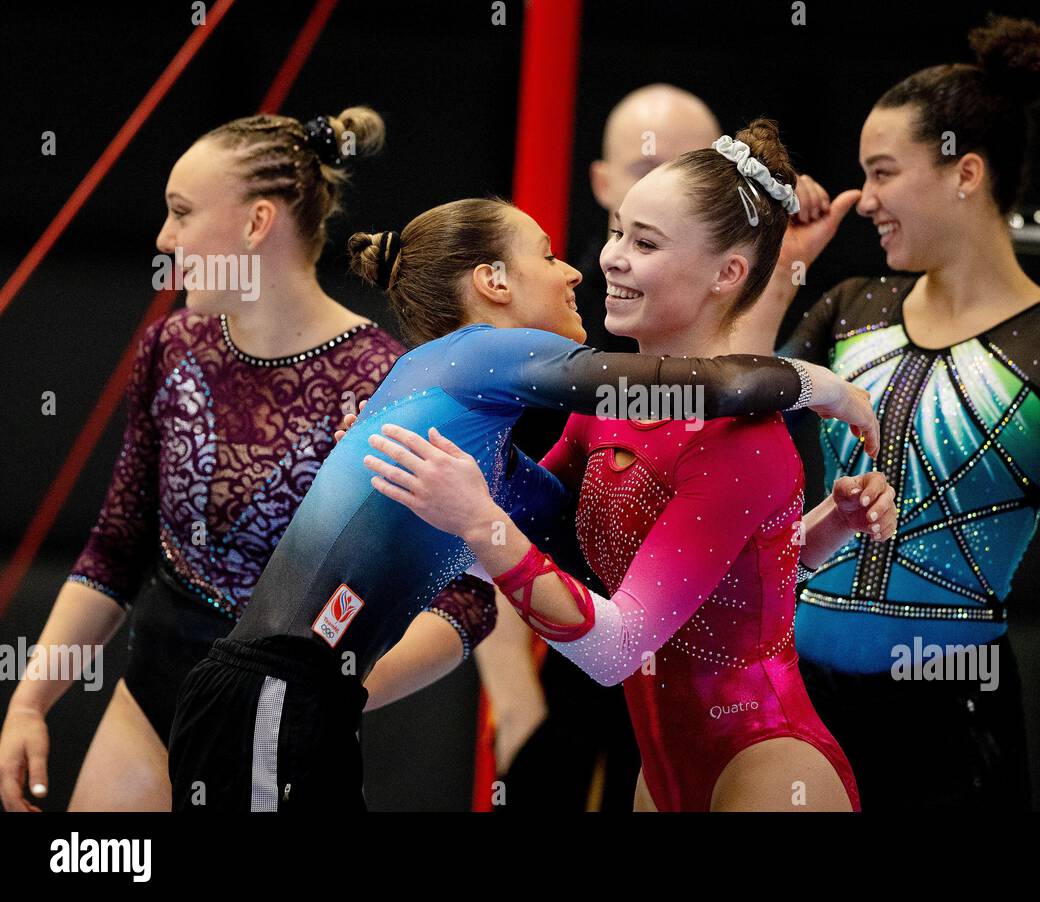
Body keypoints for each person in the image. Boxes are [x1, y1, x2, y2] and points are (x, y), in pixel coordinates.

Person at [166, 195, 878, 811]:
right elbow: (685, 383)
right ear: (494, 282)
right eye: (548, 254)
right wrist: (825, 387)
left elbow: (624, 572)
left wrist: (816, 527)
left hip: (311, 703)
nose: (575, 271)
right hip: (271, 690)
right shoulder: (472, 352)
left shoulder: (491, 466)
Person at [364, 121, 899, 811]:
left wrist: (476, 520)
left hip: (766, 762)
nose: (609, 259)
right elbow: (545, 526)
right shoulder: (602, 404)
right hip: (661, 767)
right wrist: (415, 463)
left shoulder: (741, 440)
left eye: (644, 243)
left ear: (726, 274)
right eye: (616, 232)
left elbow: (617, 645)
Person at [731, 15, 1040, 810]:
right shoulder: (849, 307)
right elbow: (726, 405)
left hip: (951, 721)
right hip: (795, 704)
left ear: (966, 173)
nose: (866, 201)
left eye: (884, 172)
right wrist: (785, 268)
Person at [0, 106, 465, 812]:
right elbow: (117, 547)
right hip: (152, 693)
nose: (164, 238)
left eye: (181, 213)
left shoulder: (385, 383)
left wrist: (340, 685)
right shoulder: (172, 346)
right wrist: (32, 699)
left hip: (278, 724)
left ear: (255, 224)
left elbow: (463, 596)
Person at [495, 83, 721, 811]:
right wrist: (518, 707)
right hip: (580, 661)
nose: (667, 190)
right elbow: (488, 515)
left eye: (693, 169)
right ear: (601, 184)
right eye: (645, 169)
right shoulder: (548, 320)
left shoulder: (749, 323)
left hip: (715, 677)